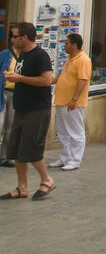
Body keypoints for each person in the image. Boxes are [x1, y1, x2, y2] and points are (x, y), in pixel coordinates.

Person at [1, 23, 55, 200]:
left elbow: (47, 81)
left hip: (37, 109)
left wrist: (20, 78)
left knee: (31, 149)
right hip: (22, 108)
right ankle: (21, 187)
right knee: (16, 150)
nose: (12, 39)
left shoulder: (40, 56)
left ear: (24, 37)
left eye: (15, 36)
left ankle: (47, 180)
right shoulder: (22, 56)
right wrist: (13, 78)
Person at [50, 33, 92, 170]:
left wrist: (74, 99)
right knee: (62, 131)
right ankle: (65, 157)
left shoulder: (83, 60)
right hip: (61, 101)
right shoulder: (70, 58)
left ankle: (75, 160)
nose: (65, 46)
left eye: (67, 43)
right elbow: (62, 76)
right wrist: (51, 81)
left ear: (74, 45)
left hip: (73, 103)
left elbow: (82, 80)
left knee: (76, 132)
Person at [0, 26, 19, 167]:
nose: (14, 39)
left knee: (10, 126)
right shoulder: (4, 54)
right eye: (13, 37)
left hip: (16, 94)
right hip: (2, 92)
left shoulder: (26, 56)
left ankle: (5, 157)